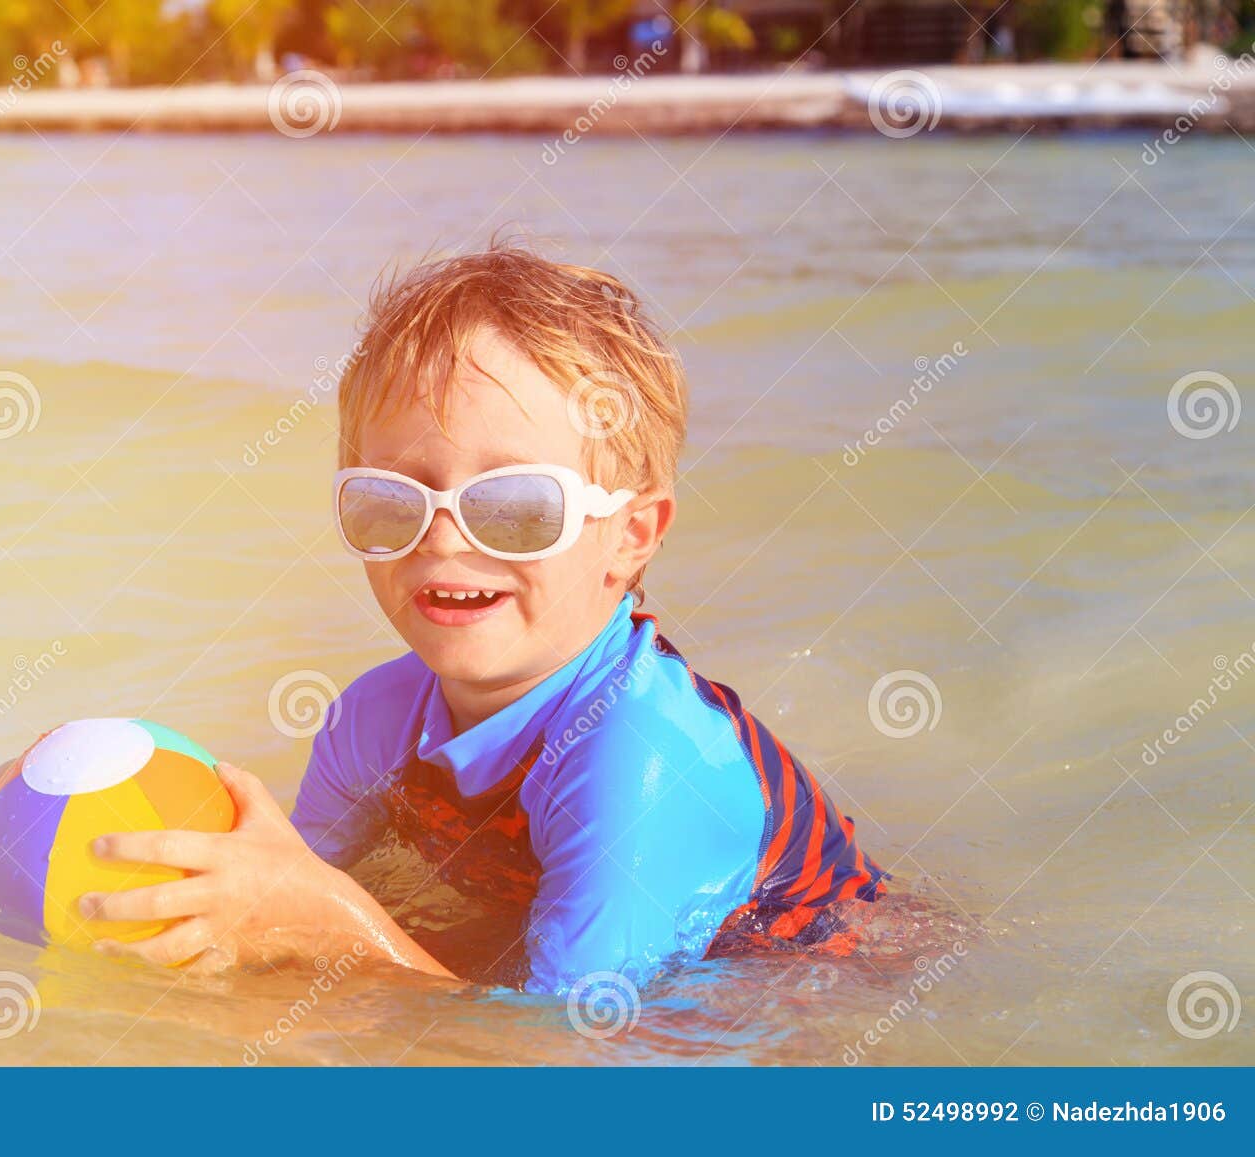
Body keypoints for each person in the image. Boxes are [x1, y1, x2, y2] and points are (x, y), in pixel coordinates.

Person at [79, 243, 886, 994]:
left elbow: (560, 1064)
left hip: (803, 981)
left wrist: (336, 931)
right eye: (390, 499)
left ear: (631, 536)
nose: (441, 535)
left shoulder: (636, 761)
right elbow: (274, 896)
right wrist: (90, 809)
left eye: (515, 504)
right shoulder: (372, 718)